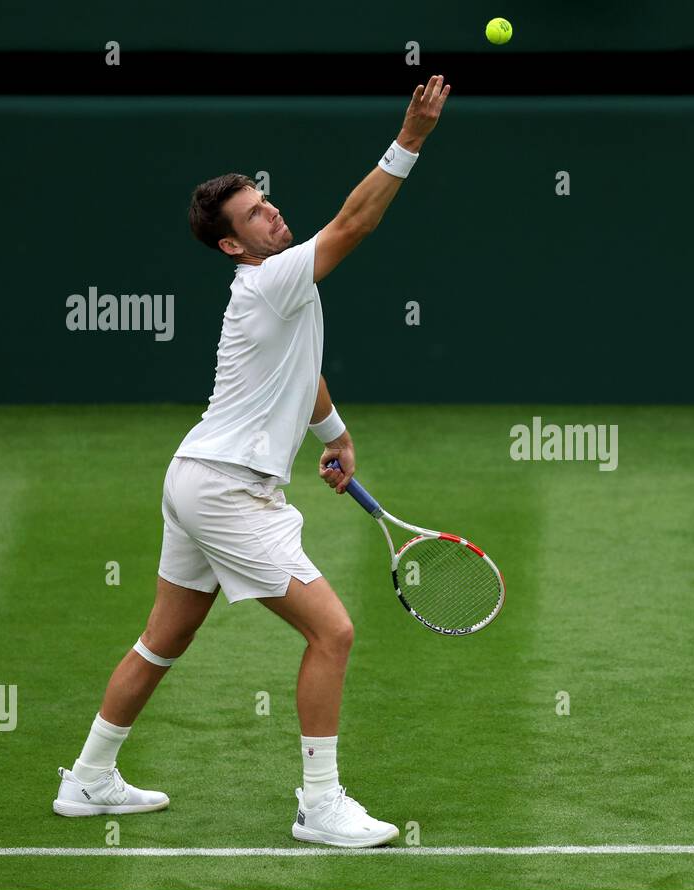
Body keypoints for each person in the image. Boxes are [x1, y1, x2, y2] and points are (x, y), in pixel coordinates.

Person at [52, 75, 452, 849]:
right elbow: (356, 223)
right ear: (233, 244)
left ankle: (89, 778)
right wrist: (412, 137)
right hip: (226, 491)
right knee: (332, 633)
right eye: (253, 215)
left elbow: (300, 377)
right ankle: (320, 805)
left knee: (164, 640)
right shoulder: (273, 277)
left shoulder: (278, 288)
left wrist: (333, 436)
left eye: (266, 200)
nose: (271, 211)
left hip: (194, 478)